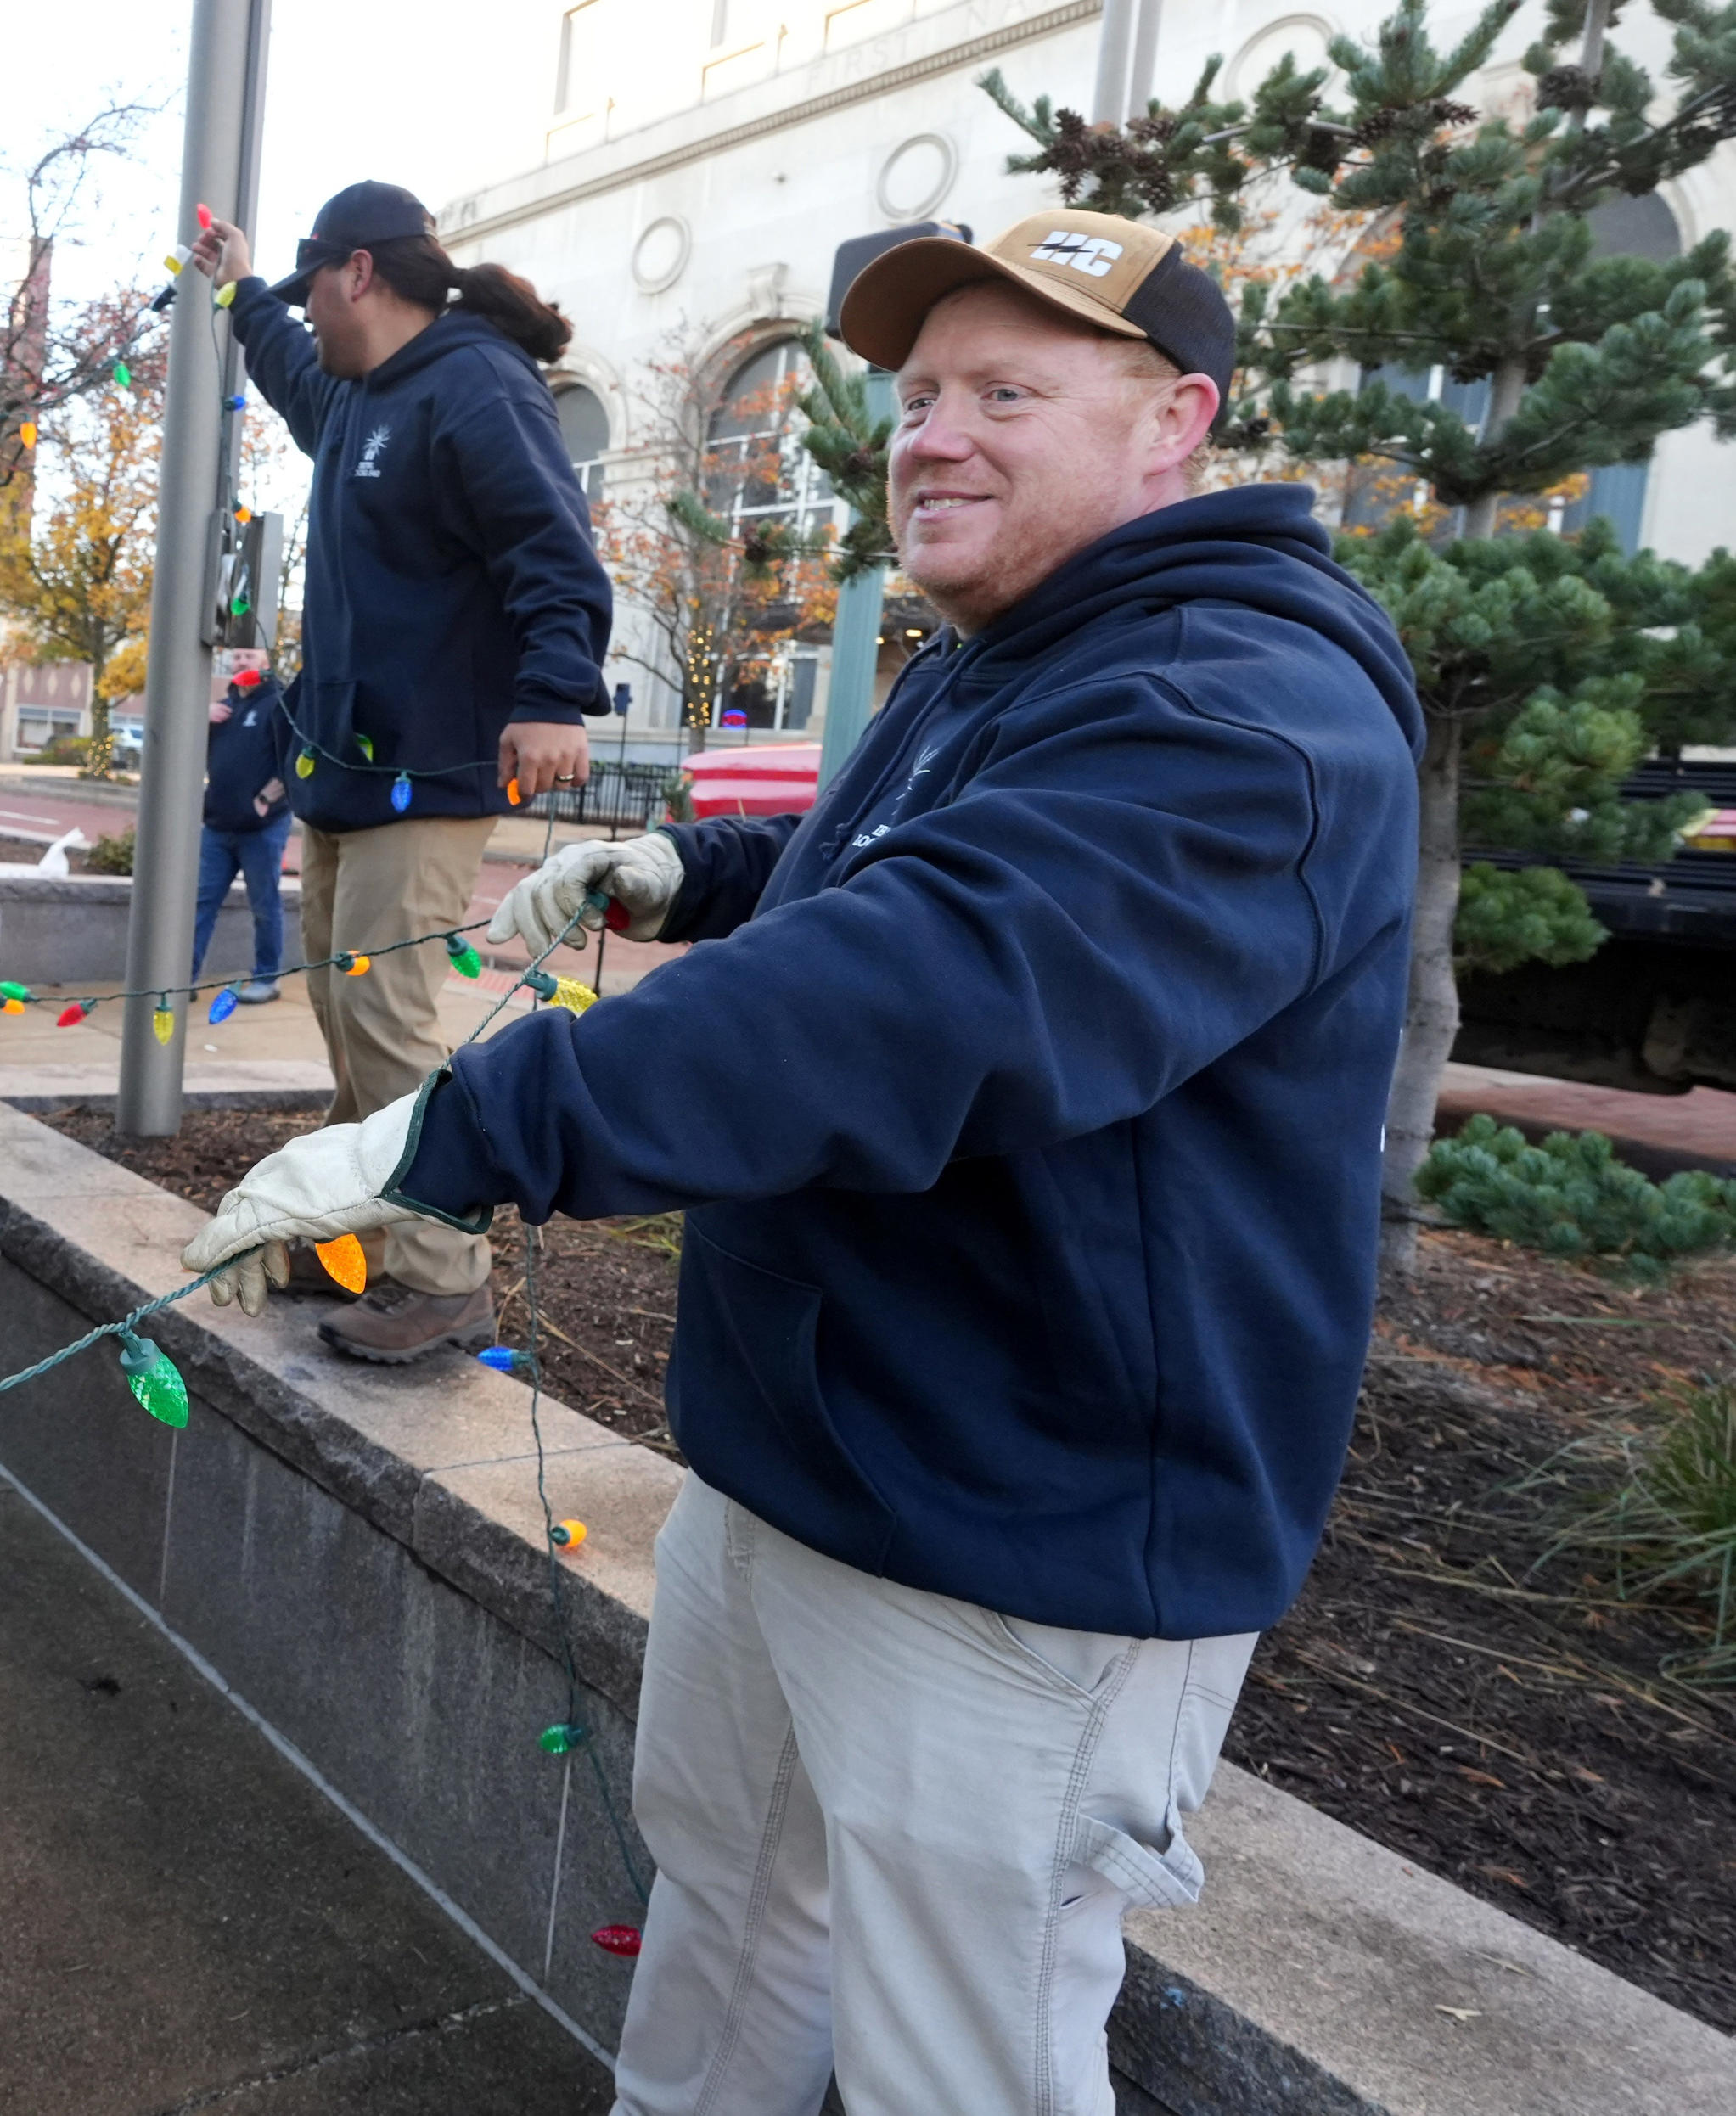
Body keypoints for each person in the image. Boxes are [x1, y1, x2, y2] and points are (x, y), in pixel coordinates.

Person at [177, 210, 1421, 2116]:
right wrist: (704, 869)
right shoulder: (992, 656)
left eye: (1006, 392)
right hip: (799, 1462)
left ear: (1172, 422)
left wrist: (456, 1131)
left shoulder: (1232, 704)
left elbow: (926, 986)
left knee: (964, 2060)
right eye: (918, 393)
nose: (930, 435)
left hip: (1031, 1535)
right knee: (727, 1929)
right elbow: (882, 870)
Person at [190, 182, 613, 1361]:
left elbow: (551, 544)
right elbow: (286, 366)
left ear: (359, 273)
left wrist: (549, 695)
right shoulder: (360, 395)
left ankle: (444, 1275)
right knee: (346, 1014)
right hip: (345, 770)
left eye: (308, 286)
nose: (306, 312)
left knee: (385, 1018)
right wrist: (234, 288)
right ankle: (352, 1237)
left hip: (428, 772)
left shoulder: (474, 387)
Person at [194, 652, 292, 1003]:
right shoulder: (221, 710)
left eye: (248, 656)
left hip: (262, 830)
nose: (240, 662)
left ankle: (267, 979)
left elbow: (294, 761)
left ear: (266, 661)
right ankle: (184, 979)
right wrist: (198, 719)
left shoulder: (279, 705)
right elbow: (180, 748)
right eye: (235, 657)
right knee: (200, 904)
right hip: (217, 827)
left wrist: (266, 800)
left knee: (265, 907)